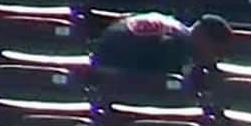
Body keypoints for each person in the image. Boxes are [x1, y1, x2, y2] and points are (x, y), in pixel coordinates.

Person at [92, 11, 232, 77]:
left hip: (102, 57)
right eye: (216, 51)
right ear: (205, 39)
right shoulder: (181, 46)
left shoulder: (172, 24)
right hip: (117, 71)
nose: (214, 58)